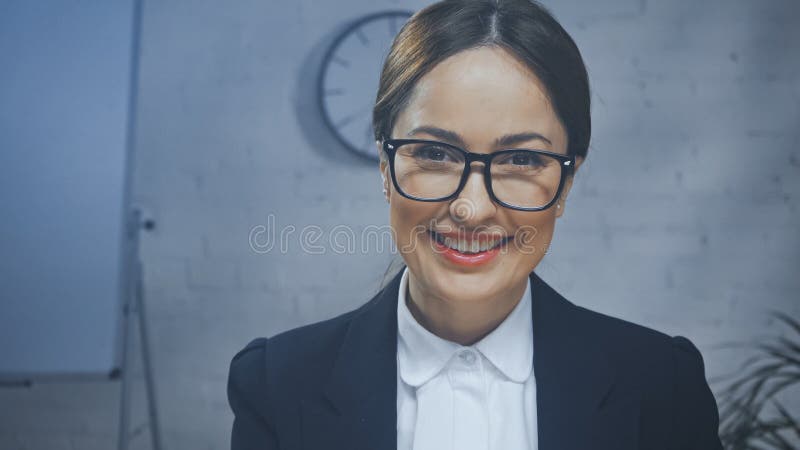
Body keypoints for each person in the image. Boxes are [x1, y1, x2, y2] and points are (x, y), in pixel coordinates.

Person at [227, 0, 723, 449]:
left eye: (522, 159)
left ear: (567, 184)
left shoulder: (662, 384)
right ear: (385, 166)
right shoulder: (277, 384)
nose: (471, 208)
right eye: (435, 153)